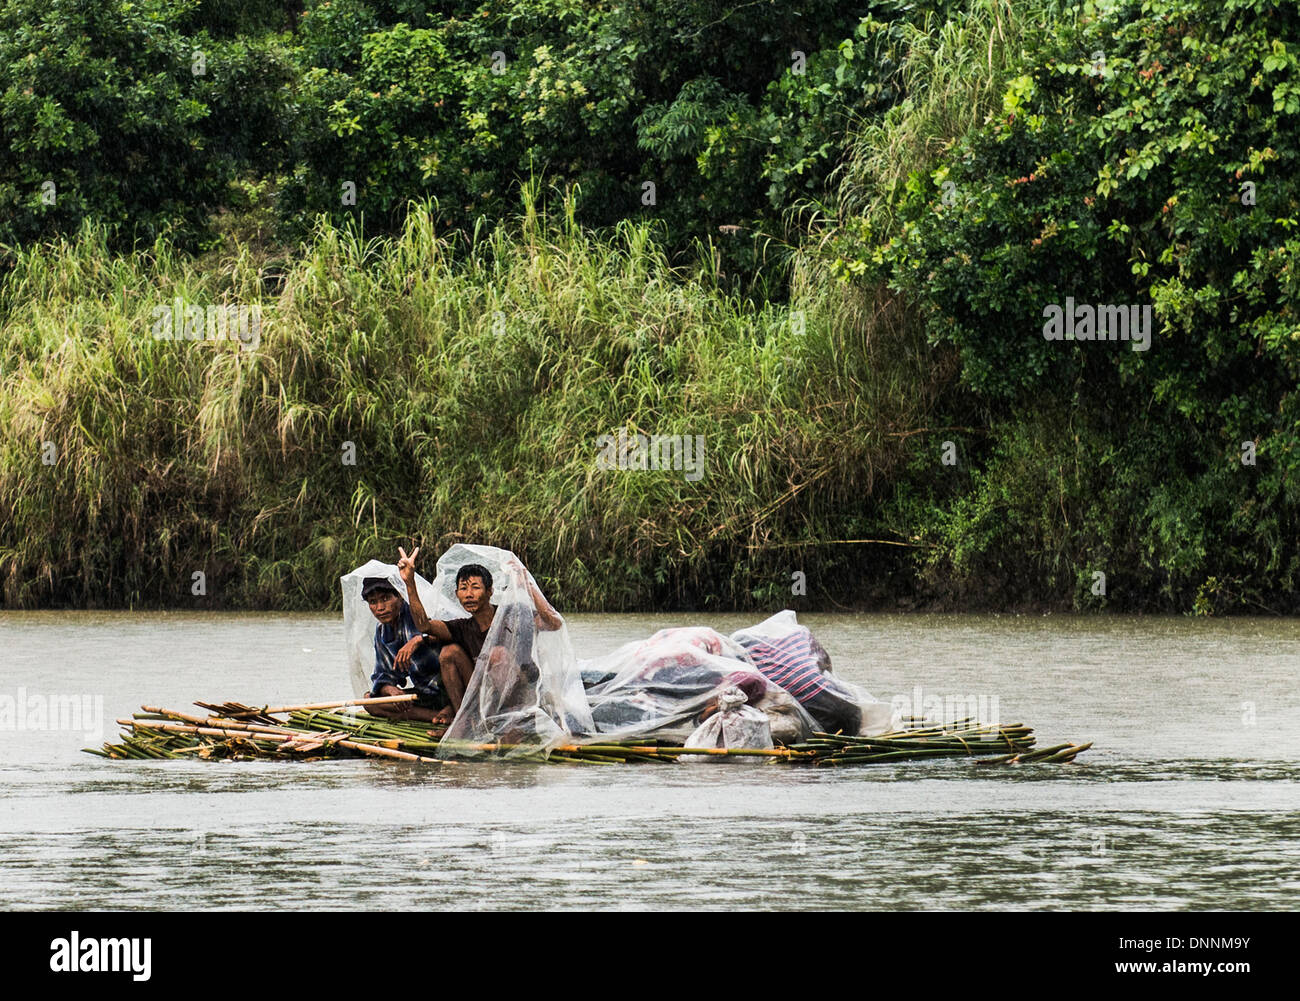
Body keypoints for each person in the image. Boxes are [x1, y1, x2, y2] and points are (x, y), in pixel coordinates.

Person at [400, 550, 562, 715]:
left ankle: (509, 718)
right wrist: (409, 583)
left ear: (490, 591)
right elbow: (424, 626)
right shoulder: (463, 627)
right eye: (463, 589)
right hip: (486, 695)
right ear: (457, 594)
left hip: (522, 691)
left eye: (475, 587)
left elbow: (554, 623)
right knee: (449, 653)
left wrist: (527, 585)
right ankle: (464, 719)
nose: (468, 594)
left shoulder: (514, 615)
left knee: (497, 654)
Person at [362, 555, 452, 724]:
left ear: (400, 596)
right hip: (425, 693)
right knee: (369, 701)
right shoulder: (382, 632)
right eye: (373, 602)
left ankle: (453, 709)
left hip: (452, 690)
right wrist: (392, 690)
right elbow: (383, 675)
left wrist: (418, 640)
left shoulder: (418, 611)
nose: (380, 608)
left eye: (386, 599)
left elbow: (449, 629)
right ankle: (435, 717)